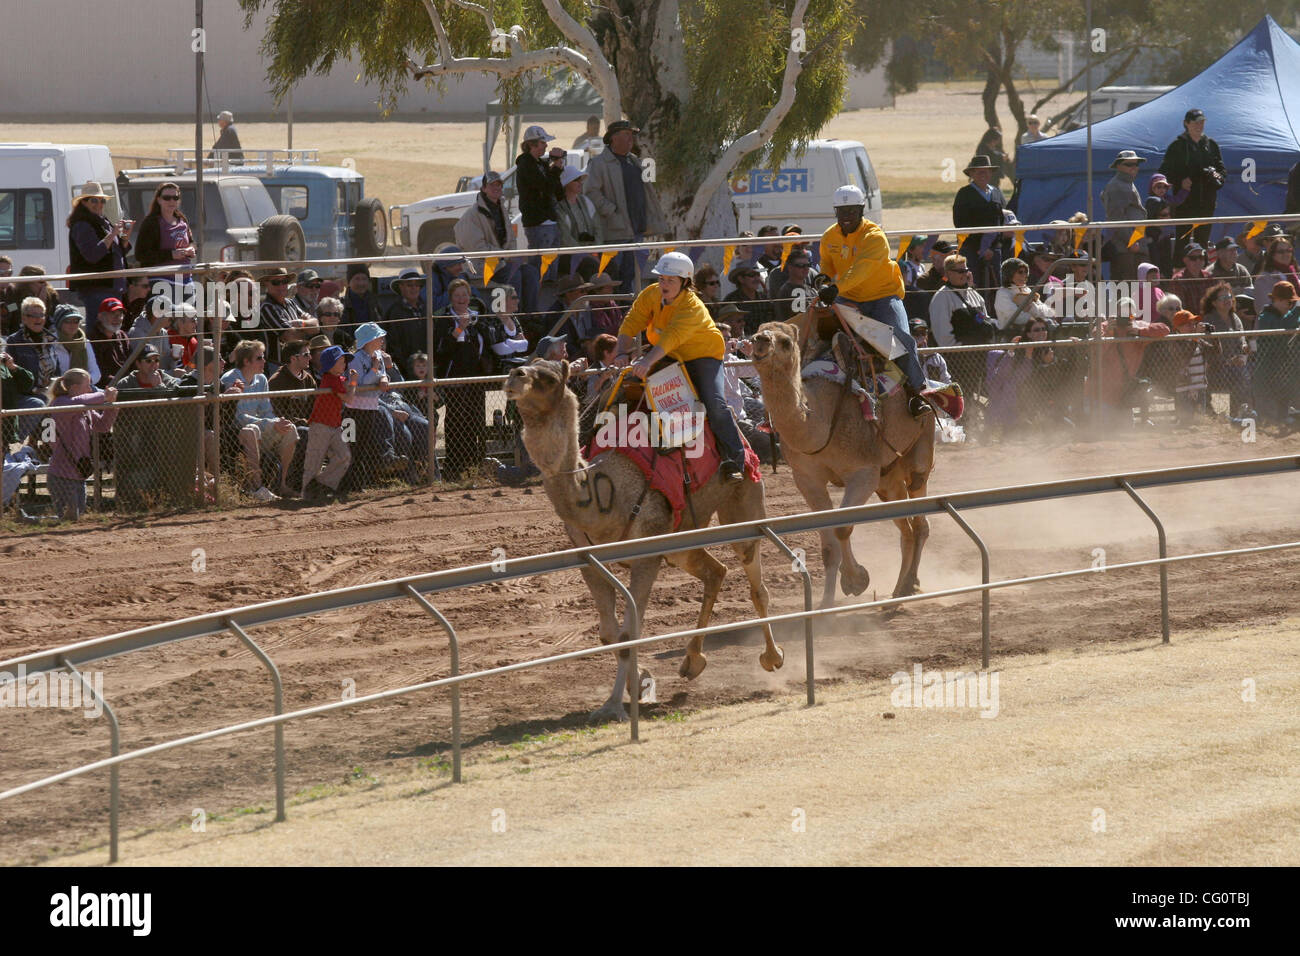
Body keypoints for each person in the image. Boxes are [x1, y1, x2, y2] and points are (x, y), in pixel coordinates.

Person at [612, 251, 748, 482]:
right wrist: (620, 352)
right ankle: (622, 450)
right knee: (630, 390)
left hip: (703, 356)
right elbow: (632, 320)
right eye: (661, 278)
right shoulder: (651, 295)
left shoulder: (691, 306)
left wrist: (645, 361)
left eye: (670, 280)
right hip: (669, 355)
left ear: (685, 282)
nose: (663, 284)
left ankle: (735, 460)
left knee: (714, 403)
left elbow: (670, 338)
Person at [815, 185, 929, 417]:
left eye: (851, 211)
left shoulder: (875, 236)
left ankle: (917, 393)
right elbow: (827, 265)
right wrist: (823, 279)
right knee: (818, 334)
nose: (846, 217)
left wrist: (834, 288)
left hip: (882, 297)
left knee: (900, 340)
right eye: (842, 211)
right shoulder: (829, 236)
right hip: (848, 297)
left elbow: (861, 271)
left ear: (861, 210)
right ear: (836, 212)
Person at [585, 120, 668, 293]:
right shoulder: (599, 163)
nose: (631, 139)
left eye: (632, 135)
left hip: (636, 231)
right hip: (613, 233)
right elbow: (591, 191)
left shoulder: (636, 161)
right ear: (614, 138)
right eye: (626, 134)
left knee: (630, 277)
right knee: (613, 278)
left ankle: (626, 313)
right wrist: (611, 211)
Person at [220, 339, 299, 501]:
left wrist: (277, 422)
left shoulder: (262, 379)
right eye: (259, 358)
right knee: (252, 430)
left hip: (259, 427)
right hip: (235, 432)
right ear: (246, 361)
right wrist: (271, 424)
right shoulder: (230, 378)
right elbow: (238, 417)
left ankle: (281, 484)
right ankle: (256, 487)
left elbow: (266, 411)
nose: (264, 361)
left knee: (290, 429)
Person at [454, 171, 539, 313]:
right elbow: (477, 248)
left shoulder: (501, 210)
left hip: (500, 264)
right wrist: (505, 256)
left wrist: (512, 256)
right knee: (514, 275)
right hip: (480, 267)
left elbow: (511, 239)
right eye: (491, 185)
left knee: (531, 272)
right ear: (483, 189)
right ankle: (514, 318)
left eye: (499, 184)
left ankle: (531, 316)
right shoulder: (471, 215)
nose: (496, 188)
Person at [434, 279, 493, 480]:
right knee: (457, 420)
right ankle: (455, 466)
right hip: (455, 377)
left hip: (475, 377)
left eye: (464, 295)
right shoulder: (444, 319)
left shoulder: (478, 318)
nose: (461, 299)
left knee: (476, 420)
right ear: (451, 298)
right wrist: (459, 328)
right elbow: (441, 350)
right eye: (457, 295)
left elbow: (486, 345)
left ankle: (476, 464)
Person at [45, 369, 118, 521]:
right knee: (67, 519)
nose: (91, 389)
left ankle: (29, 519)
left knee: (76, 519)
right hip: (61, 475)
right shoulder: (61, 403)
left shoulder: (84, 408)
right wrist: (104, 395)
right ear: (74, 388)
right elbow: (79, 401)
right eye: (88, 385)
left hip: (79, 474)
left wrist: (111, 405)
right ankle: (29, 520)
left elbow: (103, 426)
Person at [344, 322, 407, 488]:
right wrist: (374, 370)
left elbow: (383, 375)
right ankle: (348, 485)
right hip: (354, 410)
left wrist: (384, 378)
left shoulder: (378, 355)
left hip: (370, 407)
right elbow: (361, 384)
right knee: (351, 447)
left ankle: (361, 484)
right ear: (368, 340)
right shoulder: (355, 359)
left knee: (364, 447)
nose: (381, 341)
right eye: (378, 338)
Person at [1158, 108, 1224, 259]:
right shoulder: (1177, 146)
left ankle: (1203, 275)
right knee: (1183, 241)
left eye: (1202, 122)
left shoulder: (1211, 144)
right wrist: (1179, 181)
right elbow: (1163, 173)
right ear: (1186, 124)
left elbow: (1222, 170)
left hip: (1206, 201)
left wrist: (1216, 178)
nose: (1199, 125)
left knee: (1203, 241)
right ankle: (1179, 275)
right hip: (1185, 202)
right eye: (1195, 122)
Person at [67, 181, 132, 320]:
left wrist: (125, 236)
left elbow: (116, 253)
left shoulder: (102, 221)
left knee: (111, 329)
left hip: (112, 287)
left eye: (102, 200)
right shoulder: (82, 224)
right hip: (97, 288)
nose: (99, 204)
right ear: (83, 202)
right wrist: (113, 234)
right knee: (99, 329)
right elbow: (93, 255)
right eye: (94, 200)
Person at [300, 345, 357, 500]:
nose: (344, 364)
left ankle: (322, 484)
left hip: (335, 425)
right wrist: (353, 383)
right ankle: (306, 494)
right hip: (320, 425)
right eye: (341, 361)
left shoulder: (338, 378)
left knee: (344, 455)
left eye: (345, 361)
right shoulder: (330, 379)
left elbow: (344, 384)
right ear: (331, 364)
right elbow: (349, 399)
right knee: (314, 461)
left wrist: (349, 381)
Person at [132, 181, 196, 309]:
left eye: (175, 197)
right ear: (159, 200)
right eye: (167, 197)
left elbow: (191, 242)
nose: (171, 201)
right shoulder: (151, 223)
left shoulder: (182, 220)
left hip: (186, 279)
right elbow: (140, 255)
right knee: (167, 320)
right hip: (162, 281)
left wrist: (190, 249)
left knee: (188, 319)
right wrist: (171, 254)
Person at [952, 156, 1007, 304]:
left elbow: (1002, 220)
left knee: (997, 286)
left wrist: (994, 245)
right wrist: (980, 247)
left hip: (995, 249)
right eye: (979, 172)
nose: (983, 175)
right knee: (972, 284)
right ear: (971, 174)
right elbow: (960, 223)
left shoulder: (996, 193)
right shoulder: (964, 194)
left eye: (986, 172)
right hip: (971, 249)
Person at [515, 124, 566, 276]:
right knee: (540, 269)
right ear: (532, 144)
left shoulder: (540, 164)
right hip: (538, 223)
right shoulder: (526, 164)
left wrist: (555, 167)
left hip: (550, 221)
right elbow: (544, 186)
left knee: (552, 269)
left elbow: (557, 193)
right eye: (543, 143)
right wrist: (555, 169)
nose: (546, 146)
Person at [1198, 282, 1250, 416]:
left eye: (1229, 297)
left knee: (1245, 373)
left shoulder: (1235, 318)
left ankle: (1237, 412)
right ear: (1214, 303)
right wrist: (1226, 360)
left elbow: (1241, 340)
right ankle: (1210, 412)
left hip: (1234, 365)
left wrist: (1242, 354)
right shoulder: (1209, 320)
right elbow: (1206, 347)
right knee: (1240, 374)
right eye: (1223, 298)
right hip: (1214, 367)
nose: (1228, 300)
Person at [1254, 281, 1300, 423]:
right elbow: (1283, 325)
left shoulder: (1285, 314)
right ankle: (1273, 416)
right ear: (1278, 300)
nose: (1291, 306)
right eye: (1289, 302)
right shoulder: (1266, 316)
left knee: (1285, 388)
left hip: (1282, 362)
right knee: (1271, 392)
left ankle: (1284, 413)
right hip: (1268, 363)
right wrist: (1297, 310)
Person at [1101, 150, 1149, 281]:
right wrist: (1131, 241)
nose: (1134, 167)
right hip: (1125, 248)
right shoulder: (1116, 186)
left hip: (1133, 246)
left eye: (1136, 164)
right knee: (1126, 288)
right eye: (1129, 164)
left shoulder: (1126, 183)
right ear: (1118, 166)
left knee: (1138, 289)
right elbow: (1116, 218)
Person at [555, 165, 603, 278]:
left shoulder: (586, 201)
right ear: (566, 184)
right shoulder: (559, 207)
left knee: (611, 265)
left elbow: (598, 228)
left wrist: (597, 250)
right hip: (569, 254)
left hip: (591, 251)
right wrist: (586, 254)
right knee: (590, 266)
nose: (580, 183)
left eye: (580, 180)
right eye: (576, 180)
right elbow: (565, 238)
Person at [994, 258, 1054, 339]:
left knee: (1052, 325)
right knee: (1047, 327)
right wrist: (1036, 319)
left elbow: (1046, 311)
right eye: (1020, 272)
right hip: (1012, 334)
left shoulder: (1027, 290)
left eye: (1026, 272)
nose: (1024, 275)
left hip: (1032, 329)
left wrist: (1031, 307)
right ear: (1009, 274)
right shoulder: (1003, 293)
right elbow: (1015, 317)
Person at [383, 267, 428, 367]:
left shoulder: (427, 309)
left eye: (417, 285)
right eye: (409, 285)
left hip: (426, 366)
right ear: (401, 287)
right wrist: (405, 366)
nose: (414, 288)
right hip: (405, 367)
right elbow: (393, 345)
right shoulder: (394, 312)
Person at [1, 344, 46, 445]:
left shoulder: (4, 365)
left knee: (36, 403)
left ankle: (14, 442)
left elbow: (27, 384)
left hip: (9, 407)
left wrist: (13, 367)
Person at [1, 266, 60, 336]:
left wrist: (44, 306)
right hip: (19, 335)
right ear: (28, 283)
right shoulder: (15, 296)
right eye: (41, 281)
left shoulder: (51, 296)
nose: (45, 284)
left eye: (45, 280)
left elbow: (55, 317)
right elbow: (9, 310)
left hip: (46, 335)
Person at [51, 304, 100, 385]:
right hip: (59, 389)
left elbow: (96, 373)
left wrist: (83, 383)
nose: (72, 325)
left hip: (85, 387)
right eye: (67, 321)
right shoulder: (51, 343)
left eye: (76, 321)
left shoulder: (85, 343)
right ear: (59, 323)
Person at [1251, 236, 1300, 314]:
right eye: (1281, 251)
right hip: (1275, 324)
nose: (1286, 254)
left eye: (1288, 250)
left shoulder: (1296, 274)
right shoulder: (1264, 279)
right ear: (1272, 255)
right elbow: (1262, 308)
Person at [723, 264, 775, 336]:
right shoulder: (731, 301)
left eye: (758, 274)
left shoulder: (764, 299)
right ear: (741, 279)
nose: (757, 278)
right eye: (752, 275)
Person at [1166, 244, 1215, 319]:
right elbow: (1179, 310)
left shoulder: (1209, 277)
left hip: (1211, 319)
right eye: (1193, 258)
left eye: (1201, 257)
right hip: (1189, 322)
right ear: (1185, 260)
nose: (1198, 260)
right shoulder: (1178, 280)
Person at [910, 318, 950, 386]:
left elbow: (946, 381)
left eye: (923, 333)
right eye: (916, 334)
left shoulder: (936, 358)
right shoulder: (905, 357)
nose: (921, 337)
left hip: (934, 393)